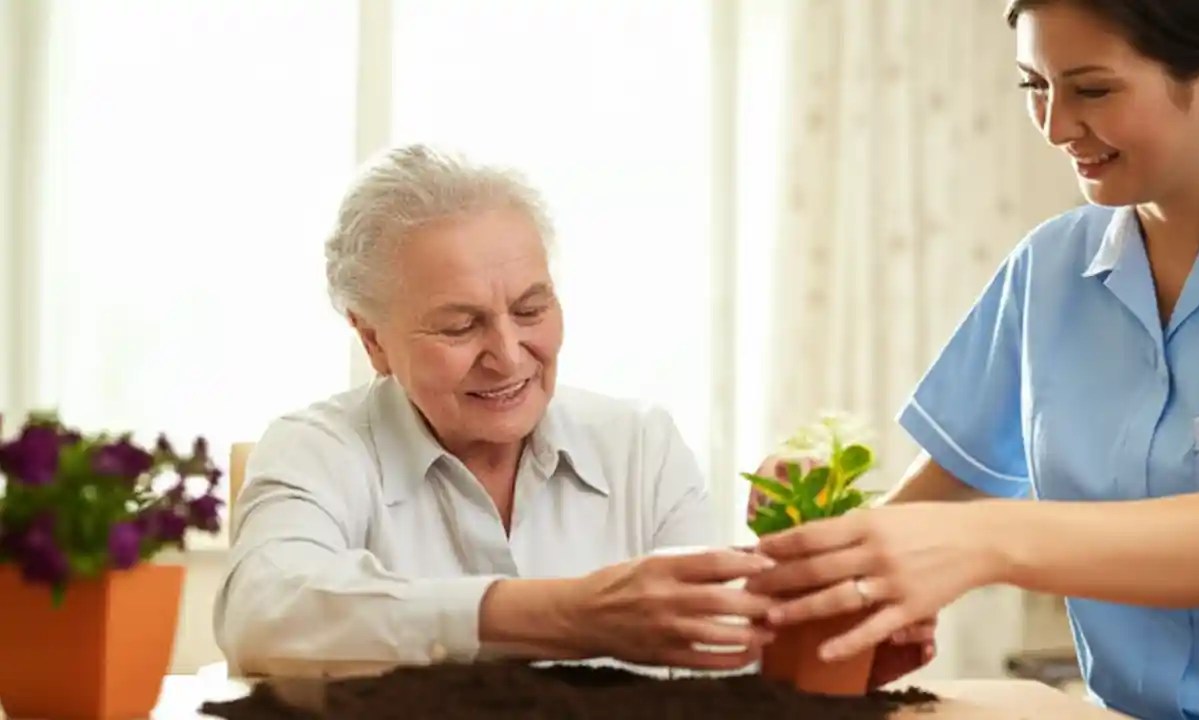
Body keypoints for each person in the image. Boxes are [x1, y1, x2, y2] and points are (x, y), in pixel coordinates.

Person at [746, 1, 1199, 718]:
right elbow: (941, 503)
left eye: (1092, 90)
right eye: (1035, 86)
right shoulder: (1049, 271)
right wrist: (824, 538)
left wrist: (986, 543)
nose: (1057, 127)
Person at [212, 146, 780, 675]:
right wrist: (569, 614)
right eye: (460, 326)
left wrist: (794, 558)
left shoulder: (641, 448)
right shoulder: (316, 448)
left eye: (531, 310)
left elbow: (721, 664)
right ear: (373, 340)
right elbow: (263, 609)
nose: (508, 357)